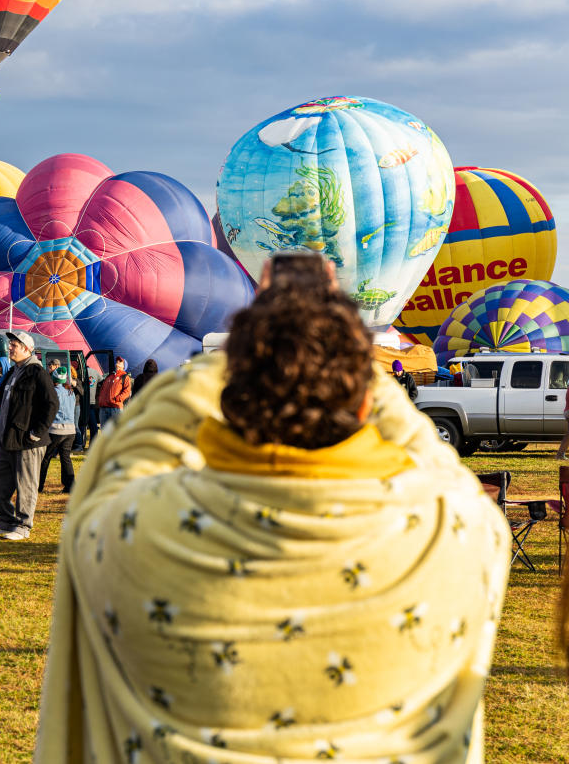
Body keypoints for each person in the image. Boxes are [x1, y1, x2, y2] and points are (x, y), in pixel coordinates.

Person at [35, 281, 511, 763]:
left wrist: (227, 355)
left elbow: (138, 444)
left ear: (227, 393)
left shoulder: (121, 531)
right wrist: (357, 364)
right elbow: (430, 455)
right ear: (367, 400)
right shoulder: (462, 528)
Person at [0, 331, 58, 541]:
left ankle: (24, 526)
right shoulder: (12, 372)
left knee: (26, 483)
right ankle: (6, 521)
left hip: (28, 441)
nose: (10, 347)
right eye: (11, 344)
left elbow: (52, 404)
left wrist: (36, 433)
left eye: (14, 344)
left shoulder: (37, 372)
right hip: (7, 439)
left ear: (26, 348)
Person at [39, 367, 77, 494]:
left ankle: (38, 485)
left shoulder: (53, 392)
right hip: (70, 430)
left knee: (45, 457)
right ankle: (70, 486)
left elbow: (48, 409)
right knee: (65, 458)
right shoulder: (70, 392)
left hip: (56, 429)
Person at [95, 357, 132, 426]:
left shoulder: (125, 377)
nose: (117, 363)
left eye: (120, 362)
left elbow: (127, 391)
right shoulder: (109, 376)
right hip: (104, 408)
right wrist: (100, 400)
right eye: (117, 361)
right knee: (104, 432)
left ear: (124, 366)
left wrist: (117, 399)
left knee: (116, 431)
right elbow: (102, 389)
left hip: (115, 408)